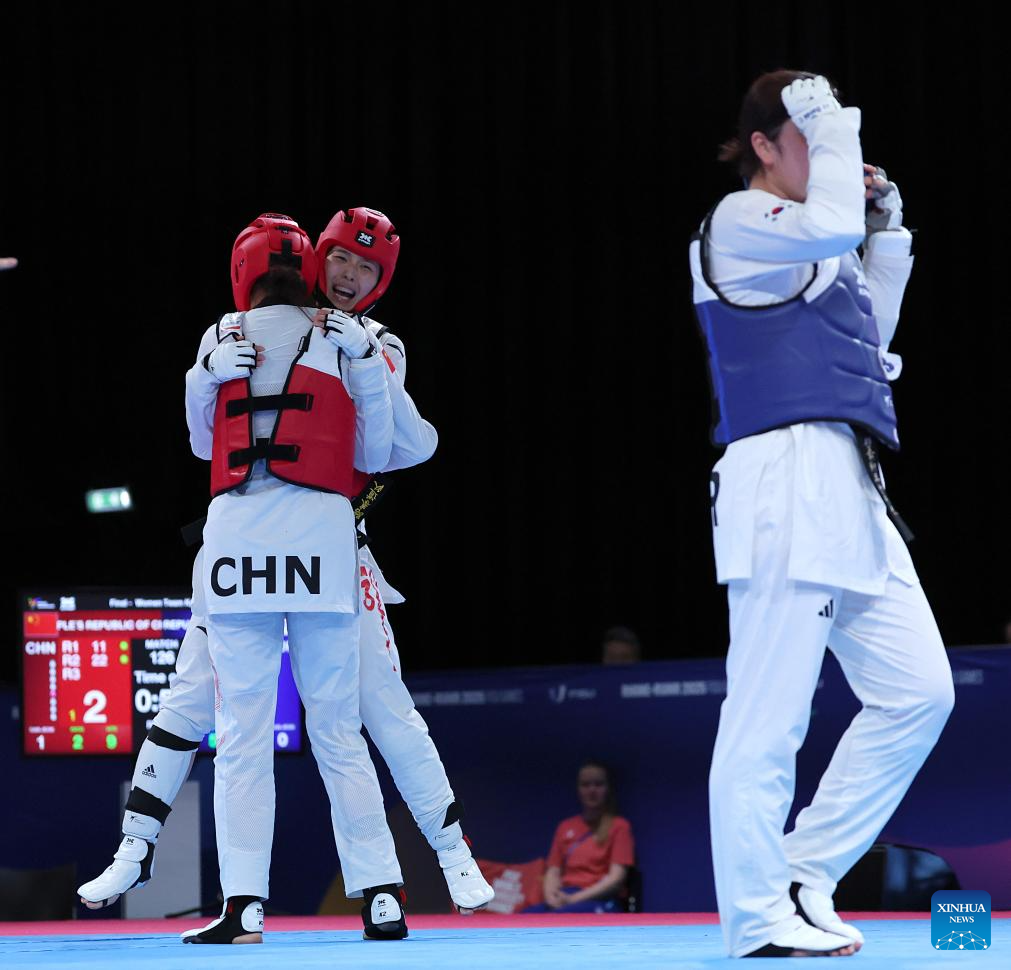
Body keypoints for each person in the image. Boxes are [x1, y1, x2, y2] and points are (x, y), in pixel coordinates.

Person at [77, 209, 492, 937]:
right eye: (338, 262)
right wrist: (201, 377)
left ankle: (448, 857)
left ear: (381, 282)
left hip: (336, 546)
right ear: (313, 263)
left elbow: (410, 444)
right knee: (193, 708)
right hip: (242, 536)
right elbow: (203, 439)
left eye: (365, 270)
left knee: (372, 713)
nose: (348, 277)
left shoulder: (375, 343)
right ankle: (145, 855)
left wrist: (367, 367)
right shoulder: (232, 334)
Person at [690, 73, 954, 958]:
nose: (834, 158)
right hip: (782, 477)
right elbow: (830, 221)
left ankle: (802, 870)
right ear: (766, 144)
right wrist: (833, 131)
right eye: (810, 138)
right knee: (769, 715)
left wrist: (890, 234)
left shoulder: (821, 243)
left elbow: (868, 343)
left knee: (918, 692)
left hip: (849, 481)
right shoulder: (734, 222)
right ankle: (756, 920)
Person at [526, 760, 634, 913]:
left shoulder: (620, 826)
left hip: (598, 900)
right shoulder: (565, 826)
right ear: (578, 789)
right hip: (566, 895)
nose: (592, 790)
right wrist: (551, 897)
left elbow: (615, 879)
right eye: (586, 784)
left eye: (598, 784)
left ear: (608, 788)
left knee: (558, 918)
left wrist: (573, 900)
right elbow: (553, 871)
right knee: (526, 916)